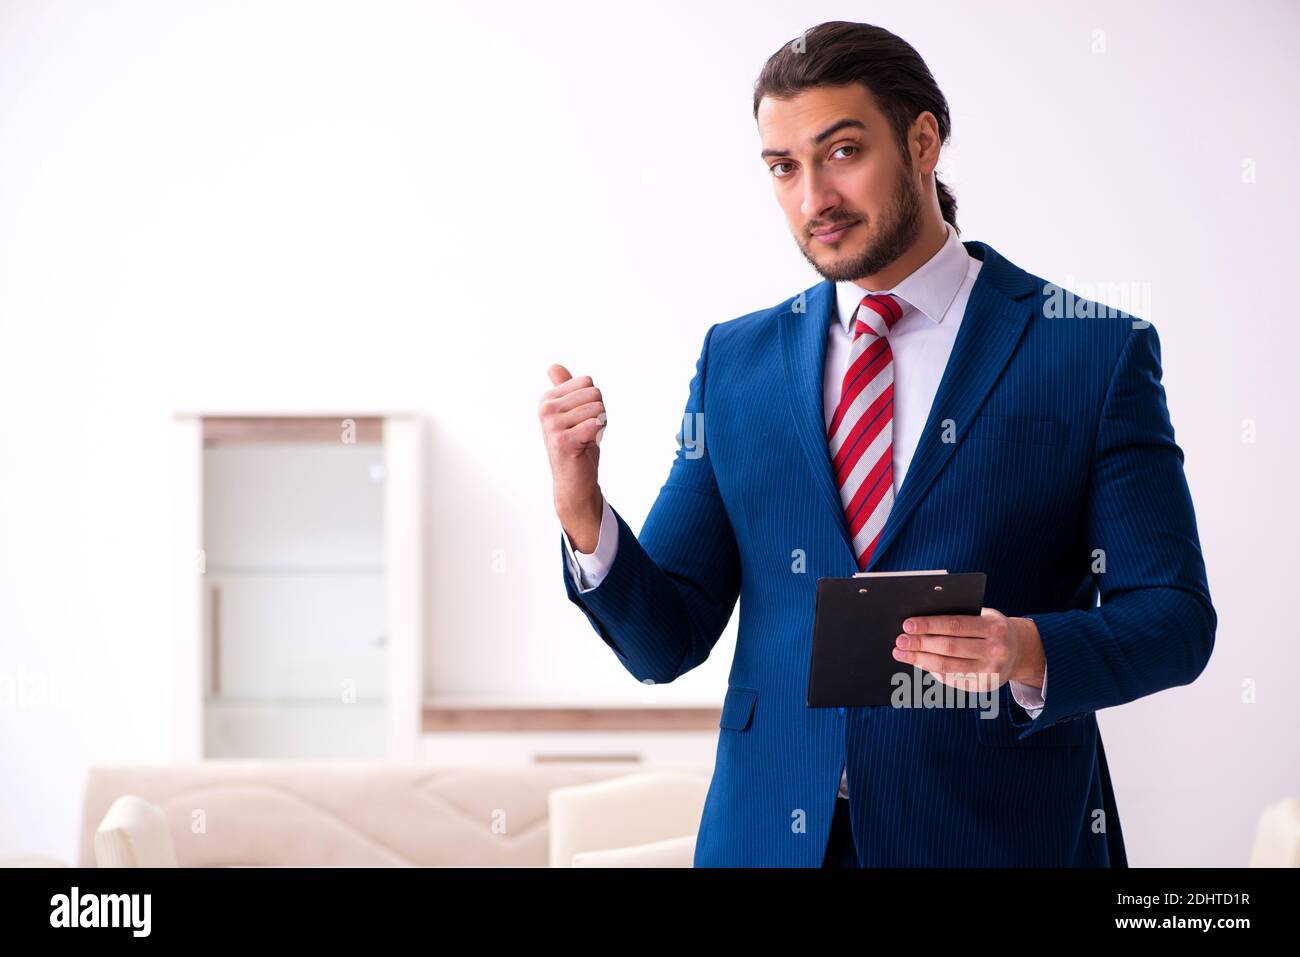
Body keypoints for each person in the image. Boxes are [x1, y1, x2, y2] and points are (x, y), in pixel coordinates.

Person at [536, 20, 1215, 867]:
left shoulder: (1089, 350)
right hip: (770, 841)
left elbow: (1176, 618)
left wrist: (1026, 649)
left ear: (924, 140)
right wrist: (581, 507)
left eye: (843, 151)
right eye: (784, 167)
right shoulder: (736, 363)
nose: (813, 196)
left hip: (1001, 839)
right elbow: (664, 639)